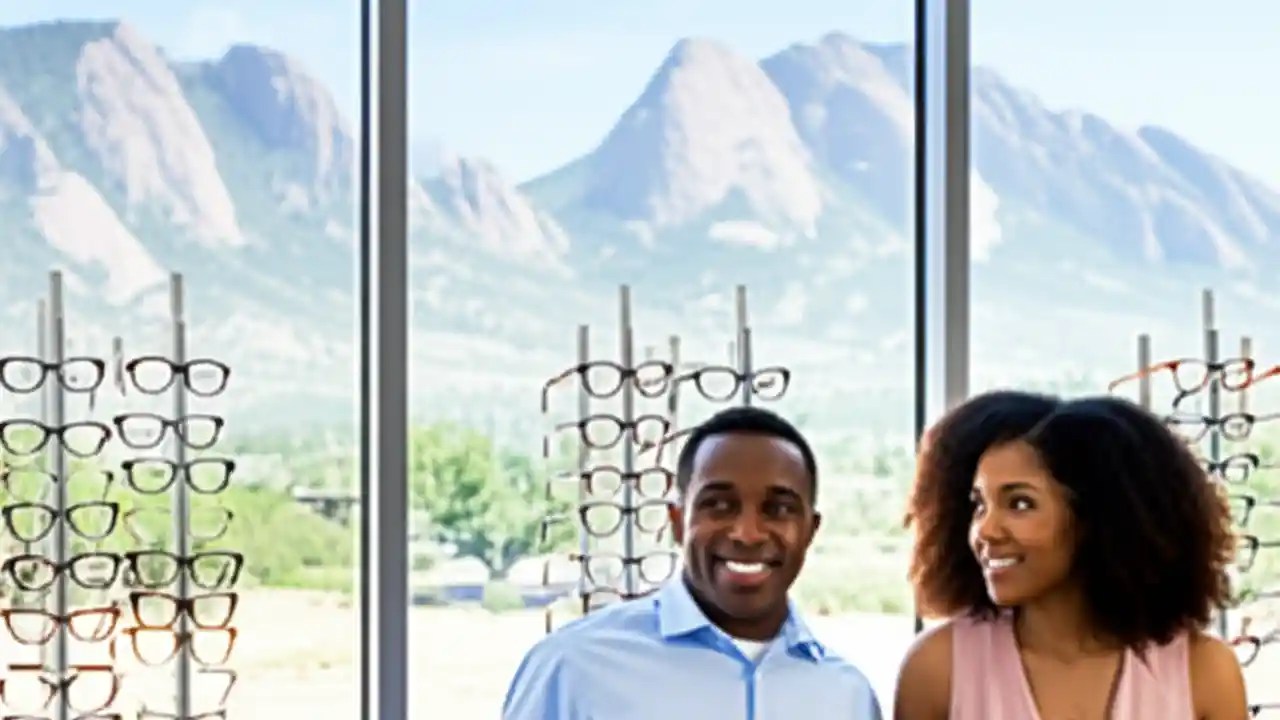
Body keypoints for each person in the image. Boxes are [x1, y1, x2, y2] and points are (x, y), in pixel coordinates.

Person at [503, 406, 883, 719]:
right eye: (718, 505)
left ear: (810, 531)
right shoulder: (573, 668)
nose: (747, 533)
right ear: (677, 522)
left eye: (778, 509)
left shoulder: (848, 696)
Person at [893, 390, 1248, 720]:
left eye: (1019, 504)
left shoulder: (1203, 672)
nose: (984, 530)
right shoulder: (938, 670)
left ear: (1098, 517)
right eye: (979, 505)